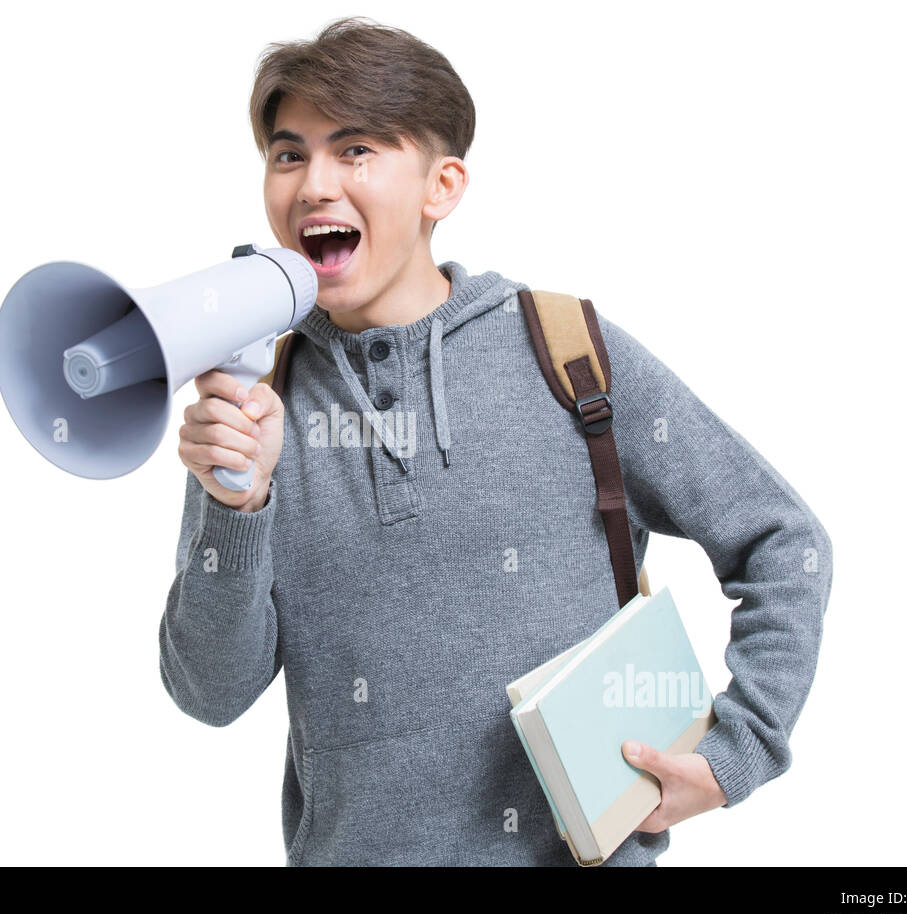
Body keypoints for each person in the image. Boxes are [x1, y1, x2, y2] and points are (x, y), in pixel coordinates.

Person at [159, 16, 833, 866]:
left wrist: (734, 752)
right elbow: (208, 693)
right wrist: (237, 502)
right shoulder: (258, 400)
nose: (313, 185)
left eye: (356, 150)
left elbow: (783, 540)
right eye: (289, 154)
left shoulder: (568, 349)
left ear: (442, 185)